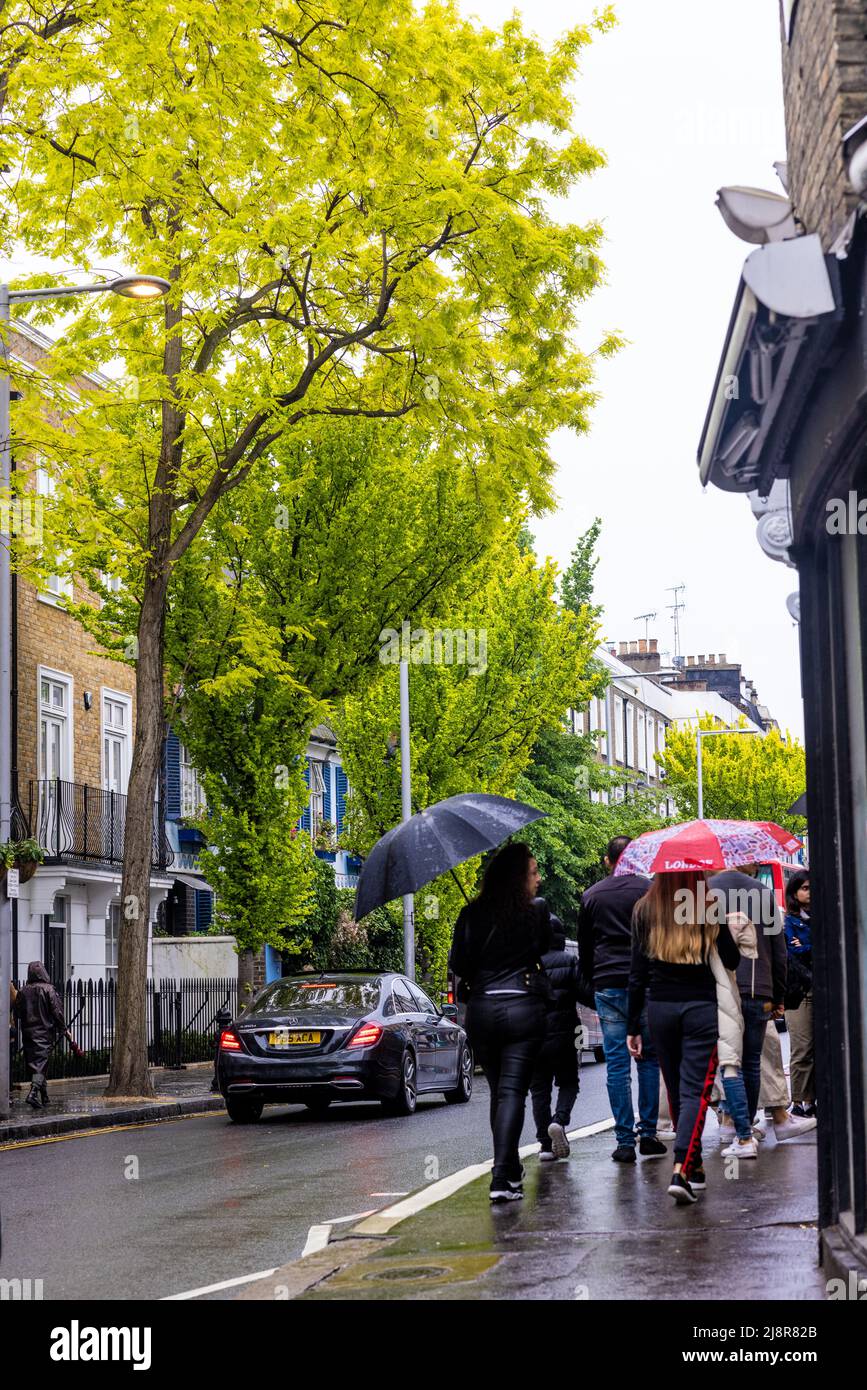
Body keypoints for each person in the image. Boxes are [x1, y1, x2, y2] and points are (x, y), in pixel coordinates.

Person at [627, 871, 742, 1205]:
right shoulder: (708, 905)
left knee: (677, 1090)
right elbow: (732, 959)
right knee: (695, 1092)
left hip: (659, 1009)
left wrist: (632, 1027)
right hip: (700, 1009)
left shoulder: (643, 910)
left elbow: (636, 975)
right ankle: (681, 1169)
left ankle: (695, 1167)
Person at [449, 843, 553, 1203]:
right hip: (523, 1008)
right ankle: (501, 1174)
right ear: (518, 877)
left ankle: (508, 1170)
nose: (538, 879)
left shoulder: (470, 913)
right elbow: (546, 945)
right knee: (512, 1092)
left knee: (500, 1092)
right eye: (533, 872)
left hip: (482, 1012)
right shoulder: (535, 911)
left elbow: (460, 966)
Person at [577, 835, 665, 1163]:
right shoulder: (650, 892)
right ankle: (649, 1132)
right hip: (647, 984)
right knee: (649, 1058)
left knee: (616, 1063)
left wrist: (594, 978)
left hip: (608, 983)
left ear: (607, 861)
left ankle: (624, 1140)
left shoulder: (591, 896)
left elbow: (585, 950)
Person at [709, 864, 793, 1157]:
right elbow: (779, 949)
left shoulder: (705, 889)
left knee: (728, 1059)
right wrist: (779, 994)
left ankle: (733, 1125)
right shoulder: (762, 893)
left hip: (720, 986)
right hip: (760, 989)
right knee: (752, 1061)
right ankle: (746, 1126)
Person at [530, 912, 581, 1160]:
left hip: (534, 1035)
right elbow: (585, 993)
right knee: (569, 1082)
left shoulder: (527, 964)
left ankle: (545, 1145)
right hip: (566, 1033)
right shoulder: (570, 961)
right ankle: (559, 1121)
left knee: (539, 1090)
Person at [13, 961, 67, 1109]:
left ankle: (45, 1098)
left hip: (28, 1033)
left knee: (38, 1066)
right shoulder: (49, 989)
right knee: (41, 1065)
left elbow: (17, 1013)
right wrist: (63, 1028)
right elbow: (57, 1011)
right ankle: (32, 1094)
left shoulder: (23, 991)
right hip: (44, 1033)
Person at [784, 869, 816, 1120]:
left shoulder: (825, 917)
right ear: (794, 892)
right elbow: (791, 953)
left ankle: (813, 1099)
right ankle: (799, 1101)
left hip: (824, 987)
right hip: (798, 991)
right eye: (805, 887)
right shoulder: (788, 921)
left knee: (821, 1047)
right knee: (801, 1047)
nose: (809, 892)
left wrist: (805, 946)